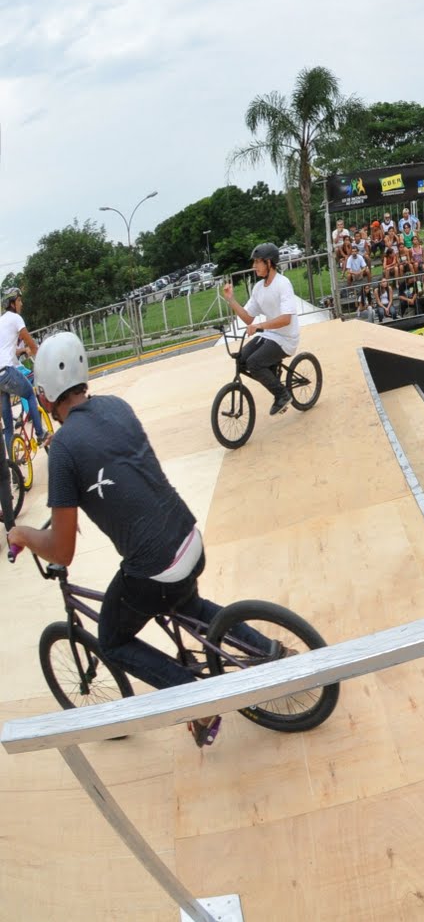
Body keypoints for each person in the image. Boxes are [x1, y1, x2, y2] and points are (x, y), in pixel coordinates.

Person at [7, 332, 277, 748]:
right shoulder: (117, 406)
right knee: (189, 605)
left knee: (112, 639)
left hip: (155, 567)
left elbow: (62, 551)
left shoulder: (62, 449)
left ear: (43, 396)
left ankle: (196, 699)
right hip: (188, 537)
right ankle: (270, 651)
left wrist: (22, 532)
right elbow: (117, 470)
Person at [219, 243, 301, 416]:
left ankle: (282, 394)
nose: (254, 266)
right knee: (241, 360)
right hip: (270, 336)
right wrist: (231, 300)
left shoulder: (283, 284)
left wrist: (259, 326)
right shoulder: (258, 288)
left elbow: (286, 319)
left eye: (257, 262)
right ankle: (271, 373)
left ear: (269, 263)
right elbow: (248, 317)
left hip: (286, 338)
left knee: (254, 363)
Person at [0, 288, 43, 455]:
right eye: (19, 300)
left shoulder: (1, 320)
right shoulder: (16, 318)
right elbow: (30, 342)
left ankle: (14, 467)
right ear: (12, 303)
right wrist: (40, 357)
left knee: (8, 424)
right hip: (6, 370)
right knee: (30, 395)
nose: (21, 303)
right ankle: (41, 434)